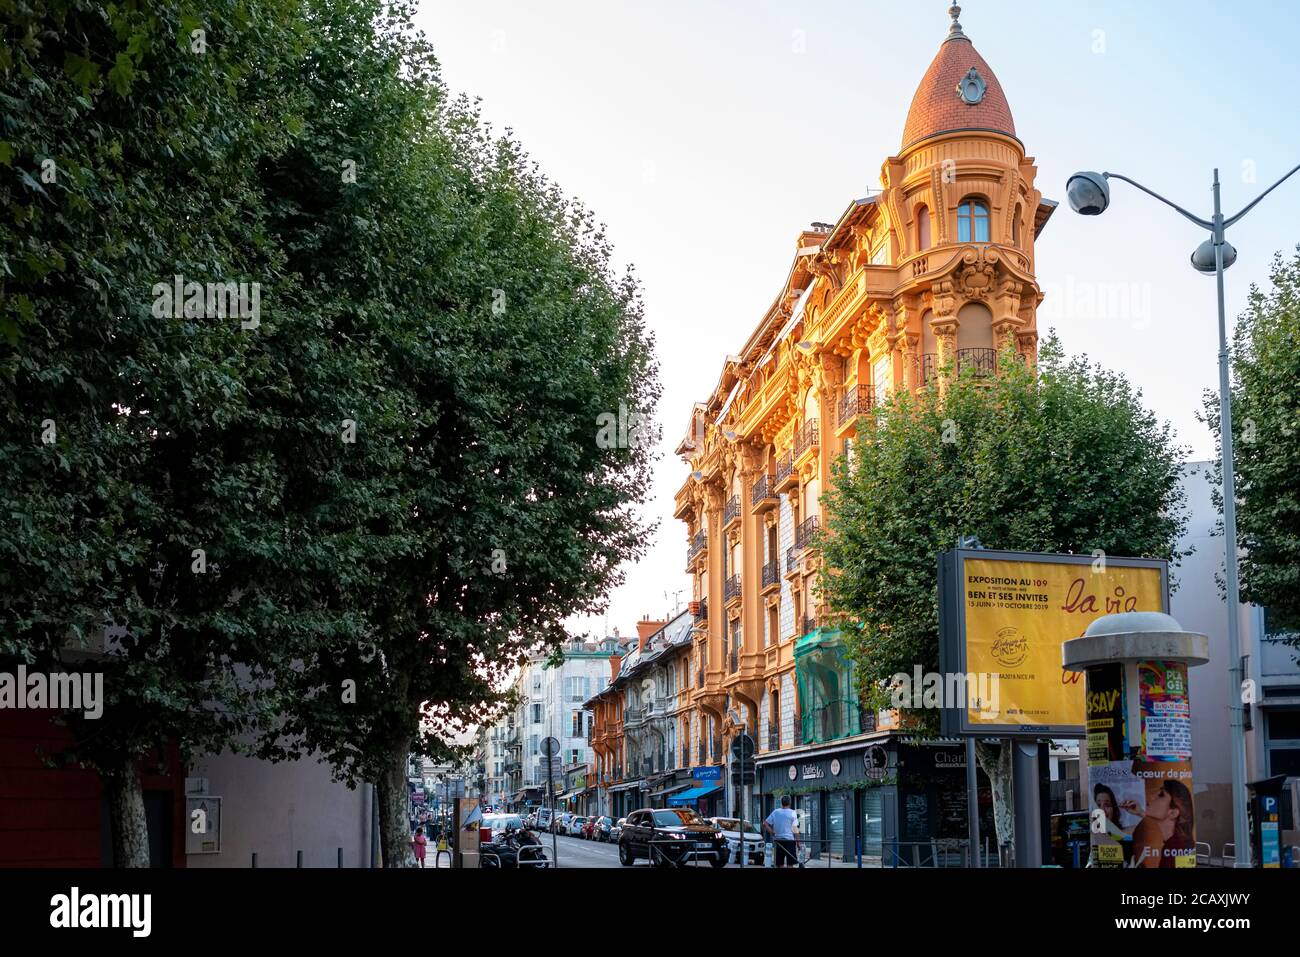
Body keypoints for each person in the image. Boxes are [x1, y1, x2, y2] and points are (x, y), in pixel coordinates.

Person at [1132, 778, 1195, 869]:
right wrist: (1140, 812)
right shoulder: (1177, 843)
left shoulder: (1174, 846)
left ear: (1173, 813)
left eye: (1161, 795)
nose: (1151, 796)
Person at [763, 795, 800, 868]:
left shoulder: (776, 812)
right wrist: (798, 842)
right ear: (790, 803)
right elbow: (795, 828)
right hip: (790, 841)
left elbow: (765, 824)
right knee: (790, 864)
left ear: (781, 803)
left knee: (780, 864)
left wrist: (772, 832)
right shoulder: (792, 812)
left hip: (778, 841)